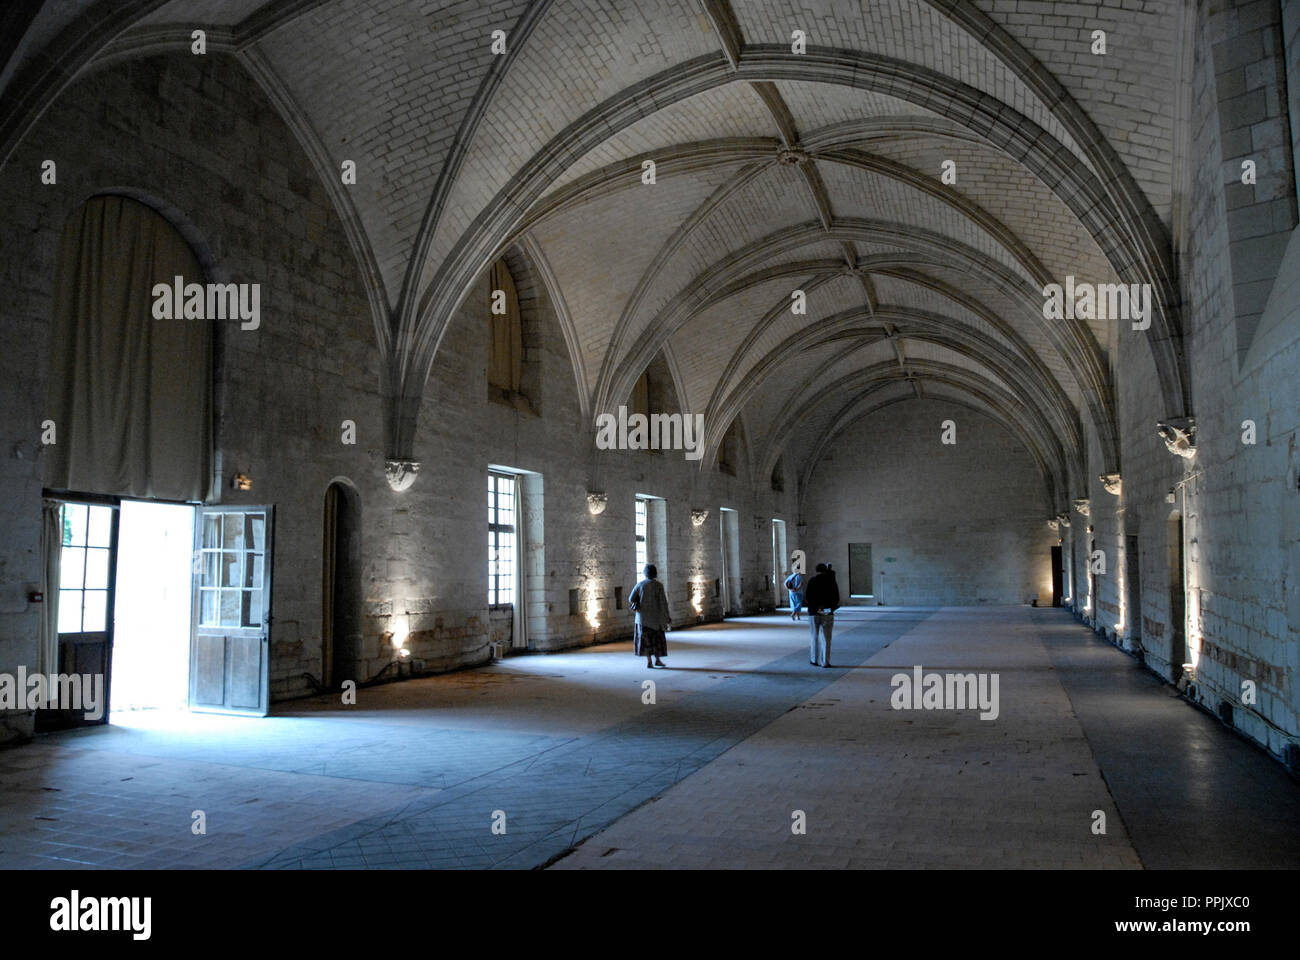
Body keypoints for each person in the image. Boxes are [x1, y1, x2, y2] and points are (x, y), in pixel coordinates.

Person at [629, 563, 672, 668]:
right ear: (655, 573)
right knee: (657, 641)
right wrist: (667, 617)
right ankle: (657, 660)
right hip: (655, 619)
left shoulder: (640, 585)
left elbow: (630, 599)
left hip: (642, 618)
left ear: (645, 573)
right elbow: (663, 603)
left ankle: (649, 661)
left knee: (646, 641)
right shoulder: (659, 586)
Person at [804, 562, 840, 667]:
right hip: (827, 611)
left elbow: (808, 597)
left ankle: (814, 660)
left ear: (816, 570)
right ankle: (825, 662)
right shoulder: (832, 582)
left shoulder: (812, 581)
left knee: (814, 636)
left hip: (814, 612)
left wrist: (816, 608)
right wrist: (828, 608)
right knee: (827, 638)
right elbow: (836, 598)